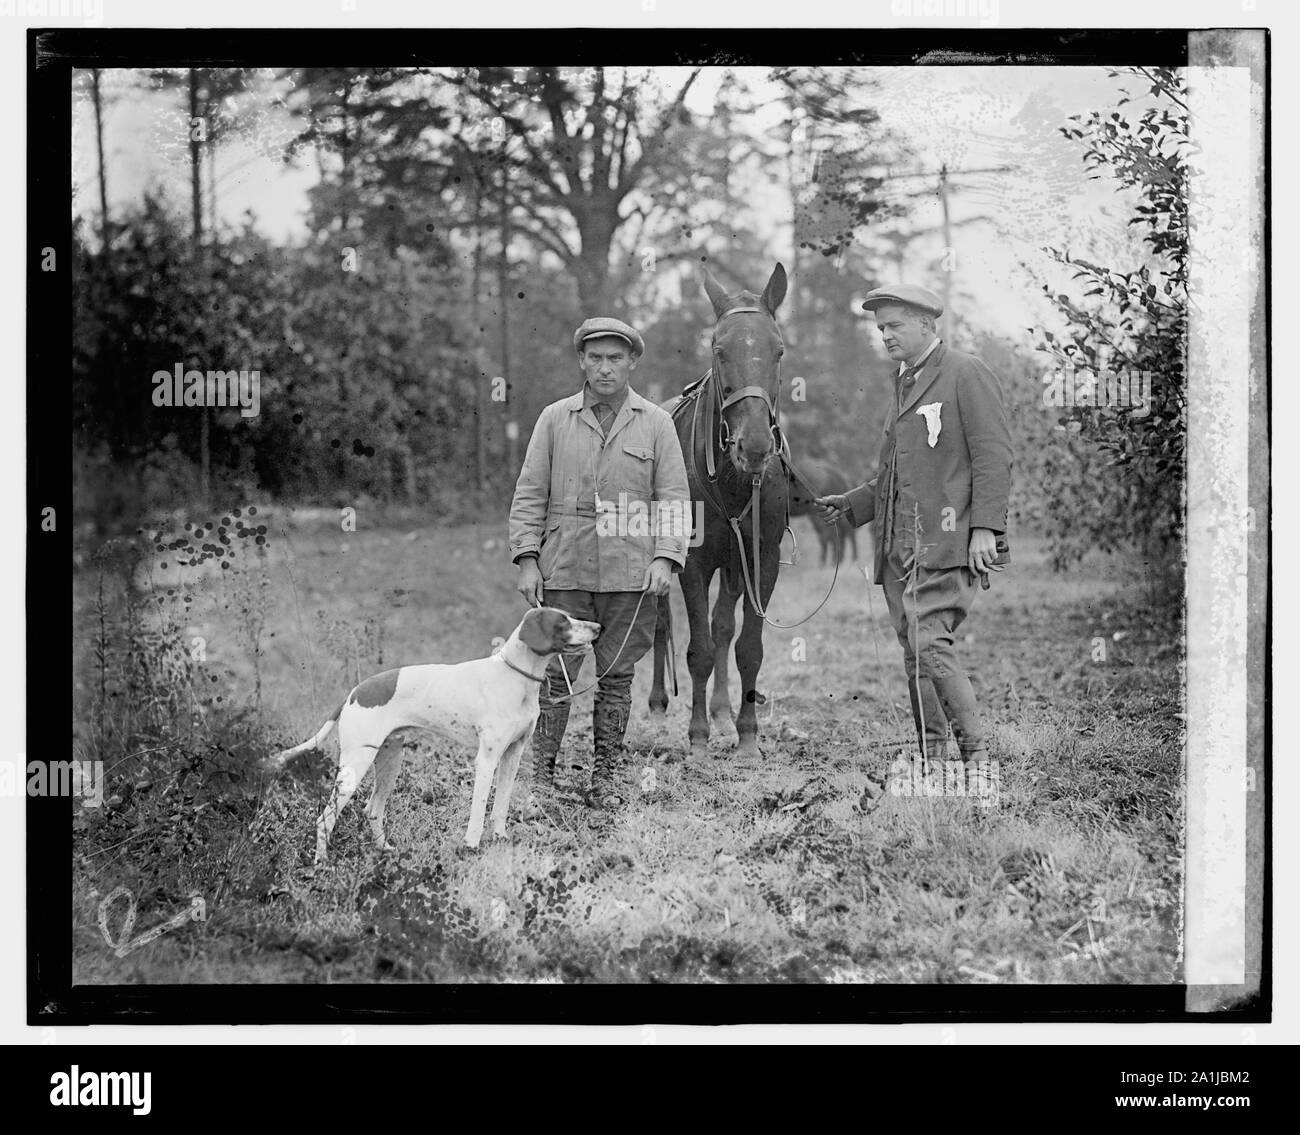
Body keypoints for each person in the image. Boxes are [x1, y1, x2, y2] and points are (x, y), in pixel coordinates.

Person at [816, 285, 1013, 796]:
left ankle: (978, 764)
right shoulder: (905, 382)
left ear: (928, 324)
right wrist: (854, 504)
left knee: (930, 643)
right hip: (899, 547)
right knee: (914, 652)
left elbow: (994, 455)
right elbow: (898, 471)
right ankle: (934, 762)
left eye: (895, 326)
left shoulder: (966, 373)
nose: (885, 336)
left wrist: (985, 528)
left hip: (948, 541)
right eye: (880, 328)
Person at [509, 317, 690, 809]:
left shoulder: (656, 422)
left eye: (615, 358)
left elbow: (673, 498)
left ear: (632, 362)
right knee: (556, 677)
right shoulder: (554, 419)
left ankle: (605, 777)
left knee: (616, 678)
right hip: (564, 568)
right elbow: (529, 493)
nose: (605, 368)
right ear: (581, 362)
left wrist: (666, 559)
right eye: (595, 358)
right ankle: (541, 779)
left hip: (629, 576)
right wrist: (527, 559)